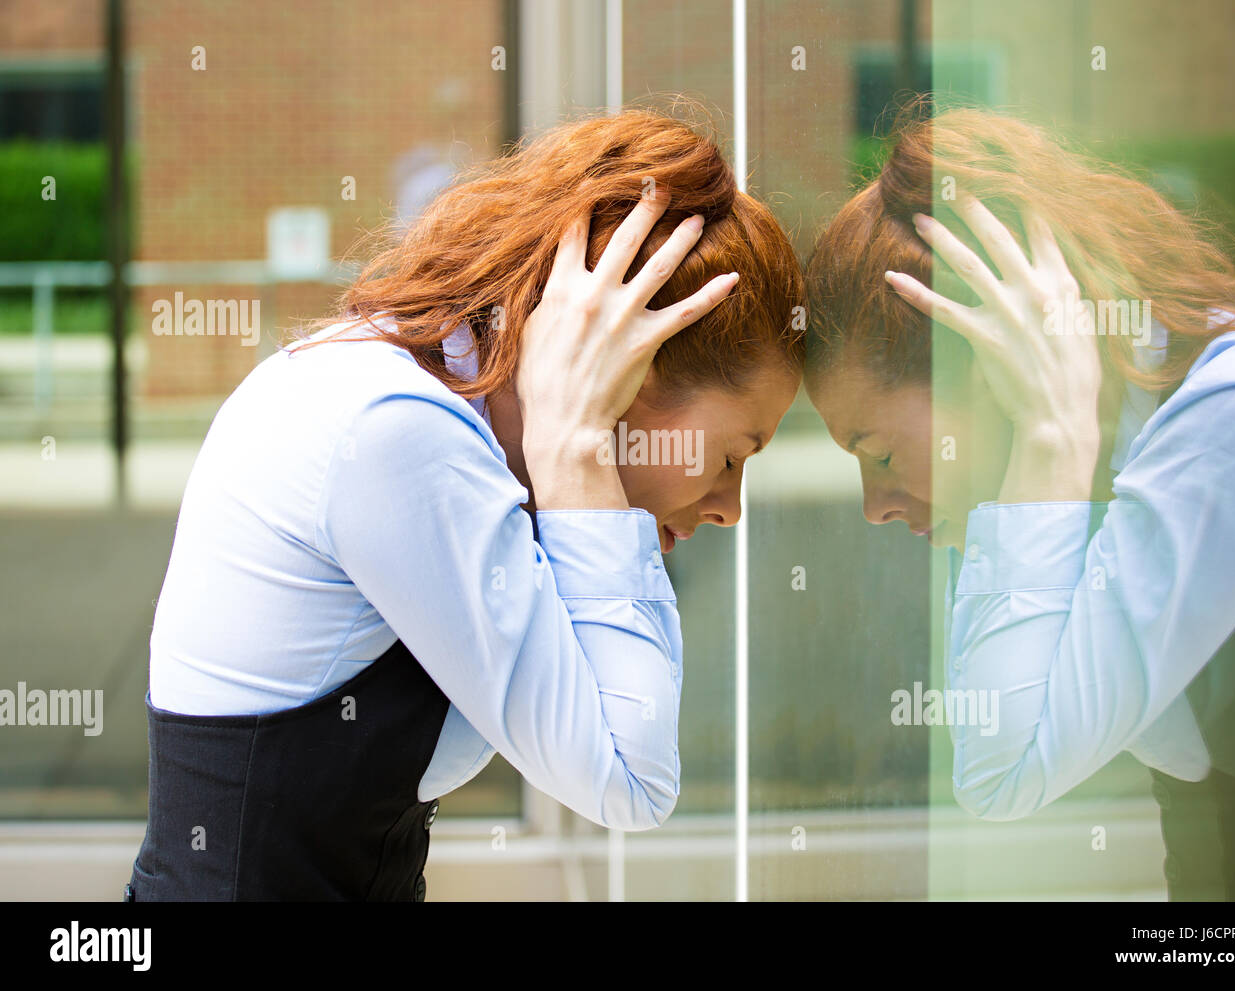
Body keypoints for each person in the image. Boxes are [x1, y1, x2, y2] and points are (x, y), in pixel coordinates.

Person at [125, 107, 805, 901]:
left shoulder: (430, 403)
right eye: (730, 456)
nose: (730, 506)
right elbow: (630, 776)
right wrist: (574, 442)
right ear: (631, 369)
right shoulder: (395, 431)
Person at [805, 104, 1235, 899]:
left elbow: (1003, 770)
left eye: (883, 454)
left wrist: (1052, 431)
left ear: (998, 355)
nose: (875, 506)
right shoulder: (1142, 457)